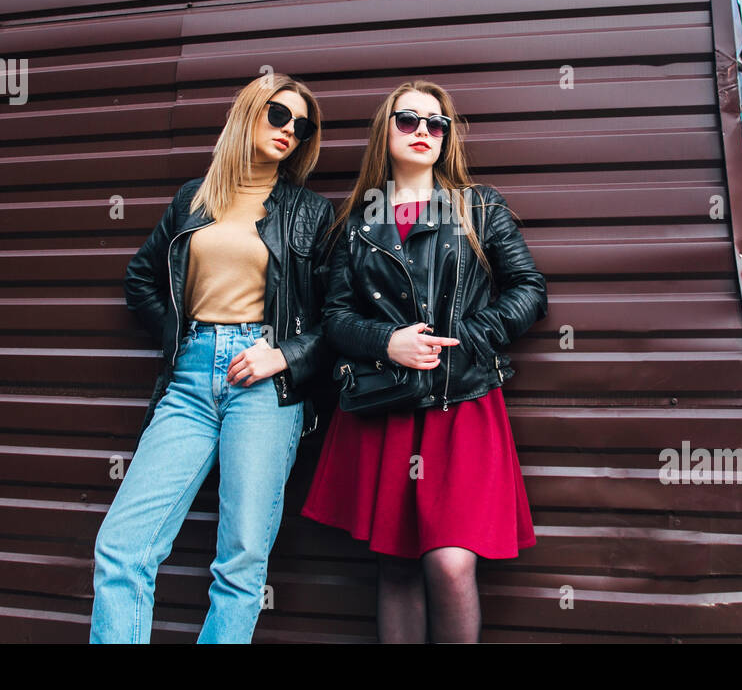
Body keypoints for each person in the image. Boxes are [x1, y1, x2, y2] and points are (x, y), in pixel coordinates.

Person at [90, 73, 335, 643]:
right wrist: (183, 341)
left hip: (265, 386)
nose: (290, 132)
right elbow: (141, 282)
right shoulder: (193, 199)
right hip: (190, 378)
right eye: (278, 115)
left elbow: (337, 320)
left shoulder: (310, 212)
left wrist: (284, 354)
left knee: (241, 558)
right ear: (247, 114)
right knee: (123, 548)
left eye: (301, 127)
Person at [301, 79, 548, 643]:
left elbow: (529, 290)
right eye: (408, 120)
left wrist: (465, 335)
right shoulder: (355, 222)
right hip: (386, 406)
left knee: (451, 563)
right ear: (384, 131)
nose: (423, 132)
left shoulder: (478, 205)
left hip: (461, 405)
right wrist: (387, 341)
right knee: (398, 562)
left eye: (435, 123)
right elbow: (335, 318)